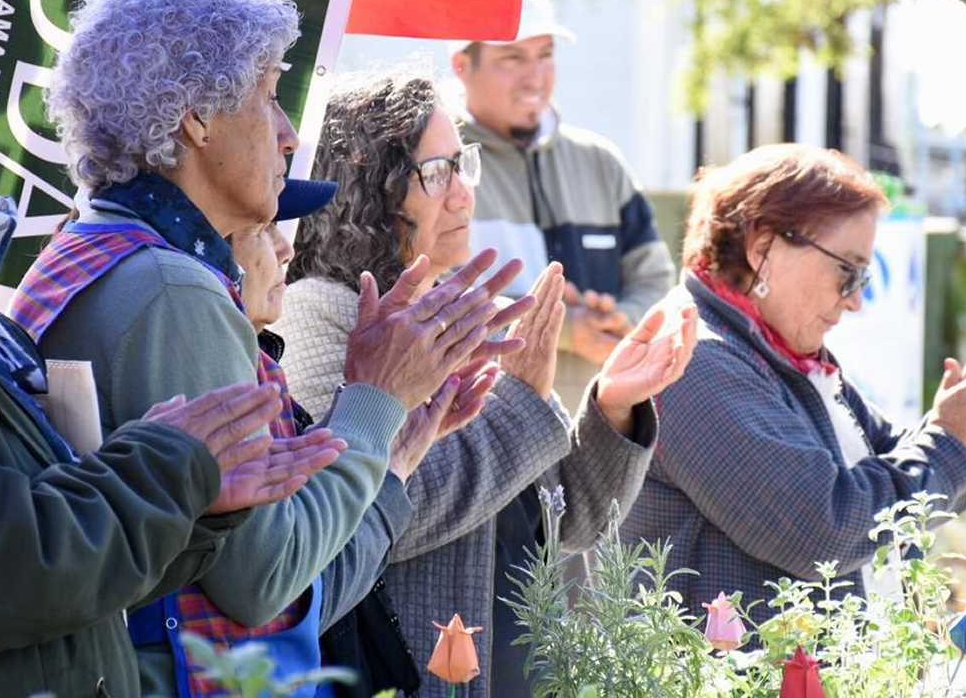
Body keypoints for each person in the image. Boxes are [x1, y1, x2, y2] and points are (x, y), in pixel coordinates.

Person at [8, 0, 522, 698]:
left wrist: (395, 449)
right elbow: (261, 583)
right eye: (270, 97)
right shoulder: (170, 290)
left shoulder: (106, 247)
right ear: (196, 117)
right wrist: (373, 397)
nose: (287, 135)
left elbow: (288, 594)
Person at [0, 5, 340, 698]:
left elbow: (74, 577)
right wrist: (379, 412)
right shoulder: (168, 284)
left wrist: (199, 507)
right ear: (196, 118)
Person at [277, 73, 698, 698]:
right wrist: (523, 403)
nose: (463, 192)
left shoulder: (456, 306)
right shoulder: (318, 312)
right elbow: (380, 508)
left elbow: (567, 520)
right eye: (437, 171)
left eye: (463, 163)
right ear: (365, 188)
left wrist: (614, 404)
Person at [620, 143, 966, 628]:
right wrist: (956, 440)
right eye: (847, 272)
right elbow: (826, 532)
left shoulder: (777, 352)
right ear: (763, 246)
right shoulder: (697, 362)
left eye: (865, 277)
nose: (855, 301)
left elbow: (901, 499)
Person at [228, 211, 488, 695]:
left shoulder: (257, 354)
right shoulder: (313, 310)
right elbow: (287, 591)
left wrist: (405, 449)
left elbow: (314, 568)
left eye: (461, 164)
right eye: (262, 228)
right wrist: (376, 397)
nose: (286, 246)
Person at [450, 0, 677, 407]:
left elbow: (657, 280)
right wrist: (565, 327)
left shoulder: (601, 162)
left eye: (545, 55)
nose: (534, 77)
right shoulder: (439, 165)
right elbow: (434, 305)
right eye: (513, 58)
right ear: (462, 65)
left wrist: (617, 319)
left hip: (600, 425)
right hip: (483, 425)